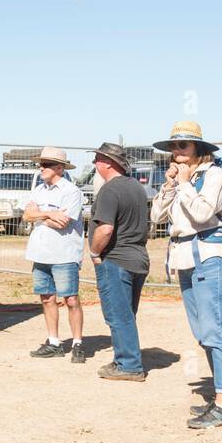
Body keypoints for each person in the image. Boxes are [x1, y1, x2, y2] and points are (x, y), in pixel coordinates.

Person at [150, 121, 222, 429]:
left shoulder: (214, 175)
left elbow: (202, 215)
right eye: (173, 147)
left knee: (216, 331)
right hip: (185, 259)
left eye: (183, 146)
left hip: (211, 256)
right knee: (203, 334)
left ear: (198, 149)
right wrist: (170, 185)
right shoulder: (183, 179)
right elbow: (156, 216)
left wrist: (186, 183)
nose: (176, 152)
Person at [88, 142, 150, 382]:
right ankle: (125, 358)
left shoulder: (110, 190)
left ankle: (129, 365)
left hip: (117, 259)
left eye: (96, 159)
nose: (94, 164)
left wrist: (94, 253)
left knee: (118, 314)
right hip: (138, 257)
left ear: (107, 163)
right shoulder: (136, 187)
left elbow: (105, 229)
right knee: (126, 313)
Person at [23, 147, 87, 362]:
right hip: (41, 253)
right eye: (41, 164)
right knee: (47, 298)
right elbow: (26, 215)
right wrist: (49, 213)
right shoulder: (38, 190)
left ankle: (77, 343)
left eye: (47, 164)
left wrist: (38, 215)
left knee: (70, 299)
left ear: (60, 168)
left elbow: (64, 223)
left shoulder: (71, 192)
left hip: (64, 254)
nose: (42, 168)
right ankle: (53, 342)